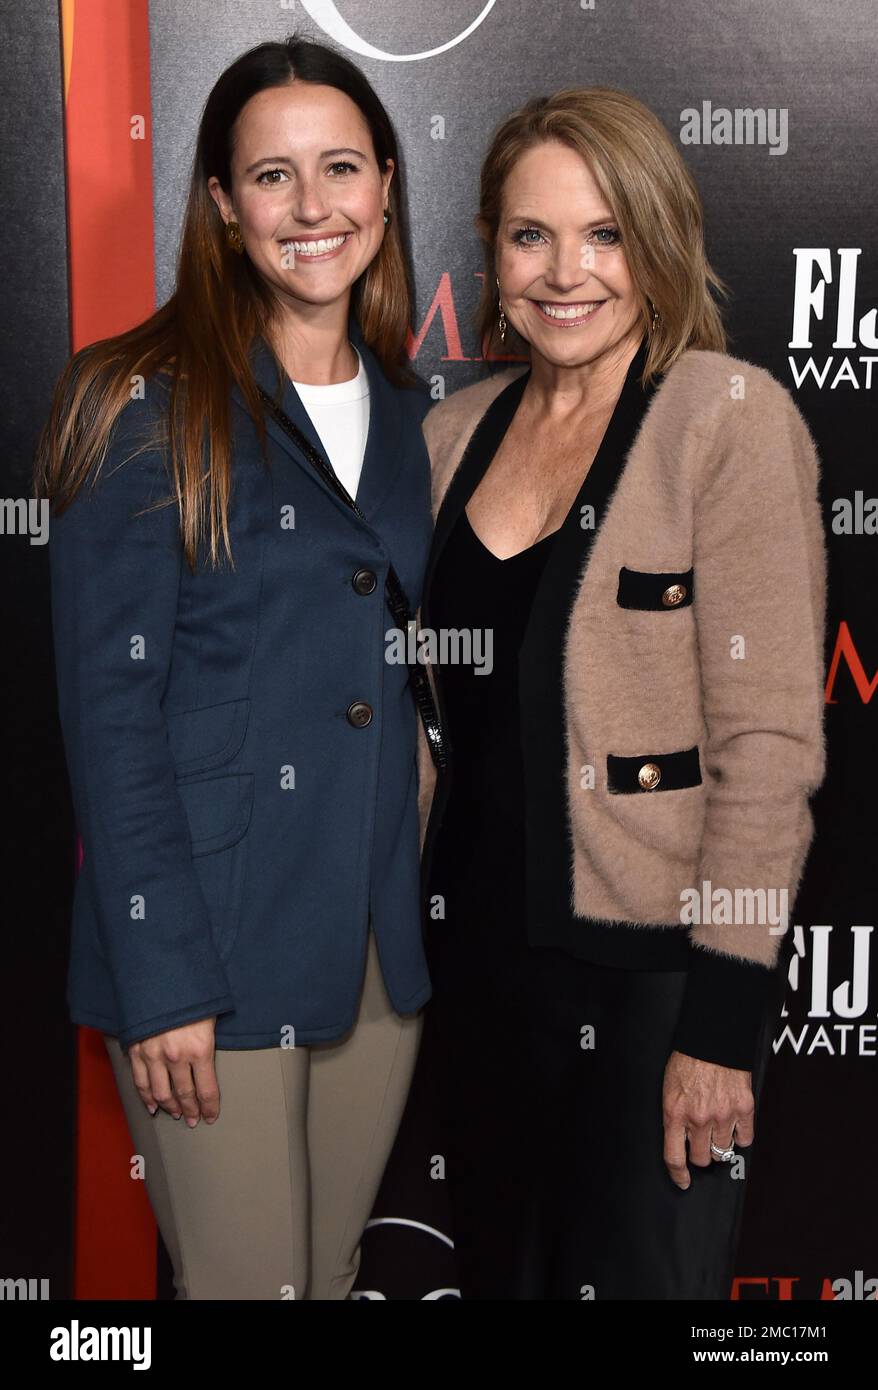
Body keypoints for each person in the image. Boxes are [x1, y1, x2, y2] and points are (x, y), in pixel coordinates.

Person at [36, 35, 434, 1301]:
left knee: (316, 1280)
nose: (311, 209)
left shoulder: (424, 414)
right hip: (207, 949)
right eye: (271, 176)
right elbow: (111, 720)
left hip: (375, 949)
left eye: (338, 169)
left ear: (384, 183)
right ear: (219, 203)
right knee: (248, 1288)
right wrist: (160, 986)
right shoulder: (140, 401)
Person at [415, 87, 826, 1299]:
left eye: (602, 235)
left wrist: (717, 1022)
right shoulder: (452, 434)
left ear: (656, 243)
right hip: (478, 976)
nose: (564, 273)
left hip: (650, 987)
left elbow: (766, 744)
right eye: (530, 235)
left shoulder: (722, 419)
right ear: (489, 251)